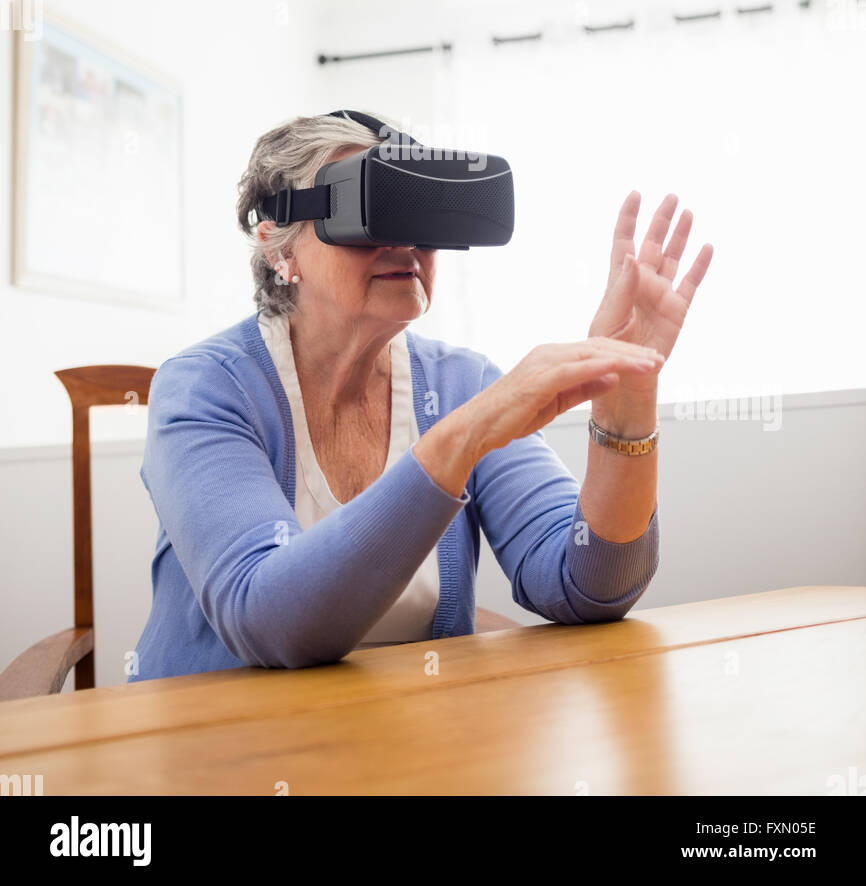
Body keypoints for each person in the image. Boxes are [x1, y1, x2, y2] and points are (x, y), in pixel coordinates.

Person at [129, 110, 712, 681]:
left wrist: (624, 404)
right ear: (279, 248)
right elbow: (271, 622)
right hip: (220, 751)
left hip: (414, 743)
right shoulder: (204, 388)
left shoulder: (464, 384)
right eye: (372, 211)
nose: (404, 241)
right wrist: (462, 437)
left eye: (420, 211)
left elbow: (589, 585)